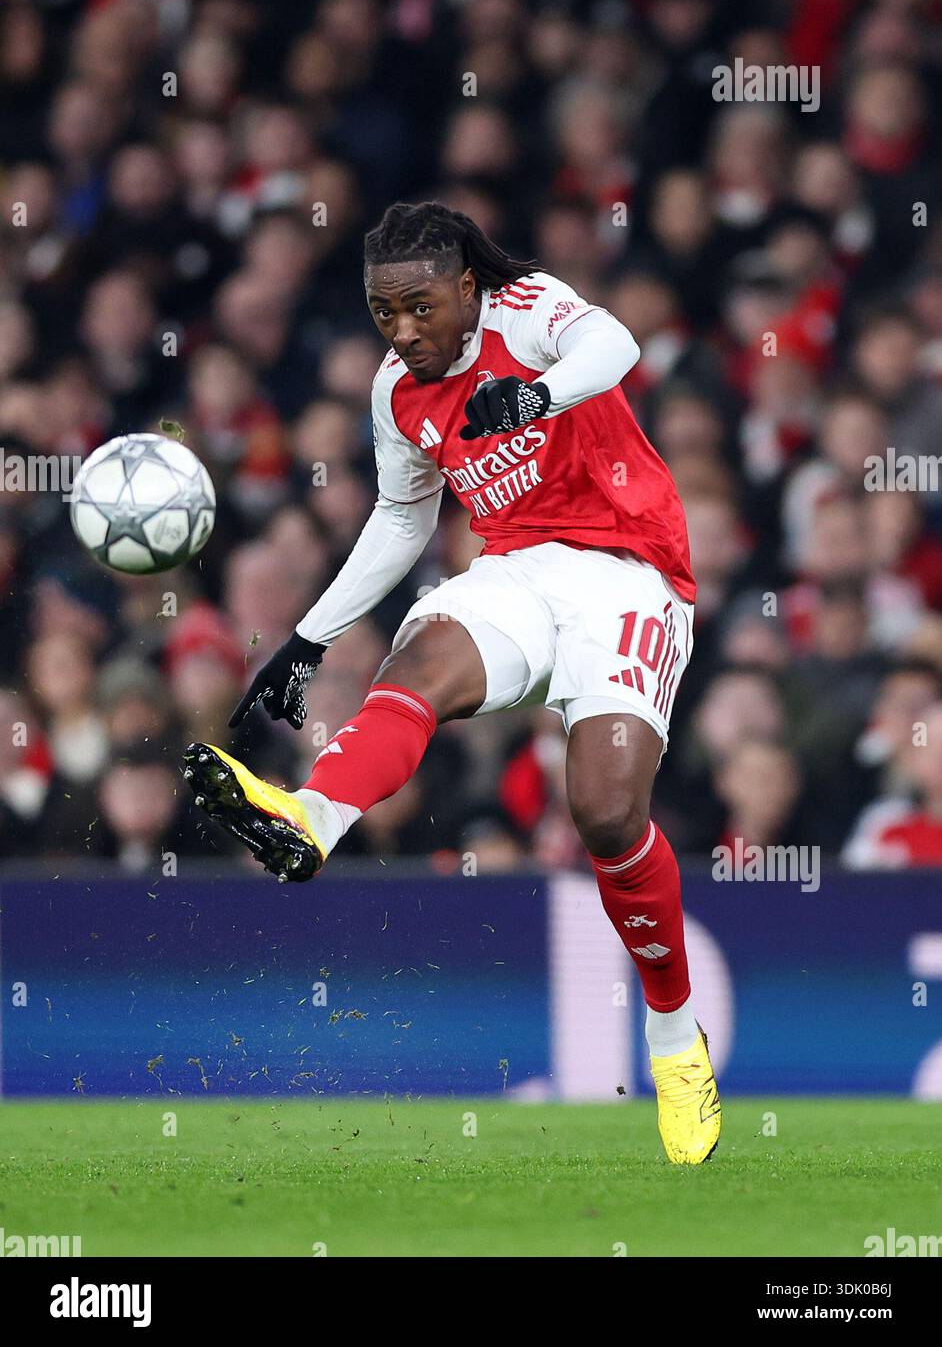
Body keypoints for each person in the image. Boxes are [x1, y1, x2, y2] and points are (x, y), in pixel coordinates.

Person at [184, 201, 720, 1165]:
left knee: (602, 813)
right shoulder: (397, 393)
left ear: (467, 288)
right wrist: (308, 637)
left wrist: (536, 397)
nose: (402, 331)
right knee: (418, 664)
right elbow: (400, 520)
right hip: (517, 570)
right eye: (382, 312)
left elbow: (619, 346)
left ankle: (676, 1040)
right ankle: (312, 818)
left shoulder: (528, 311)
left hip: (631, 571)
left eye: (420, 307)